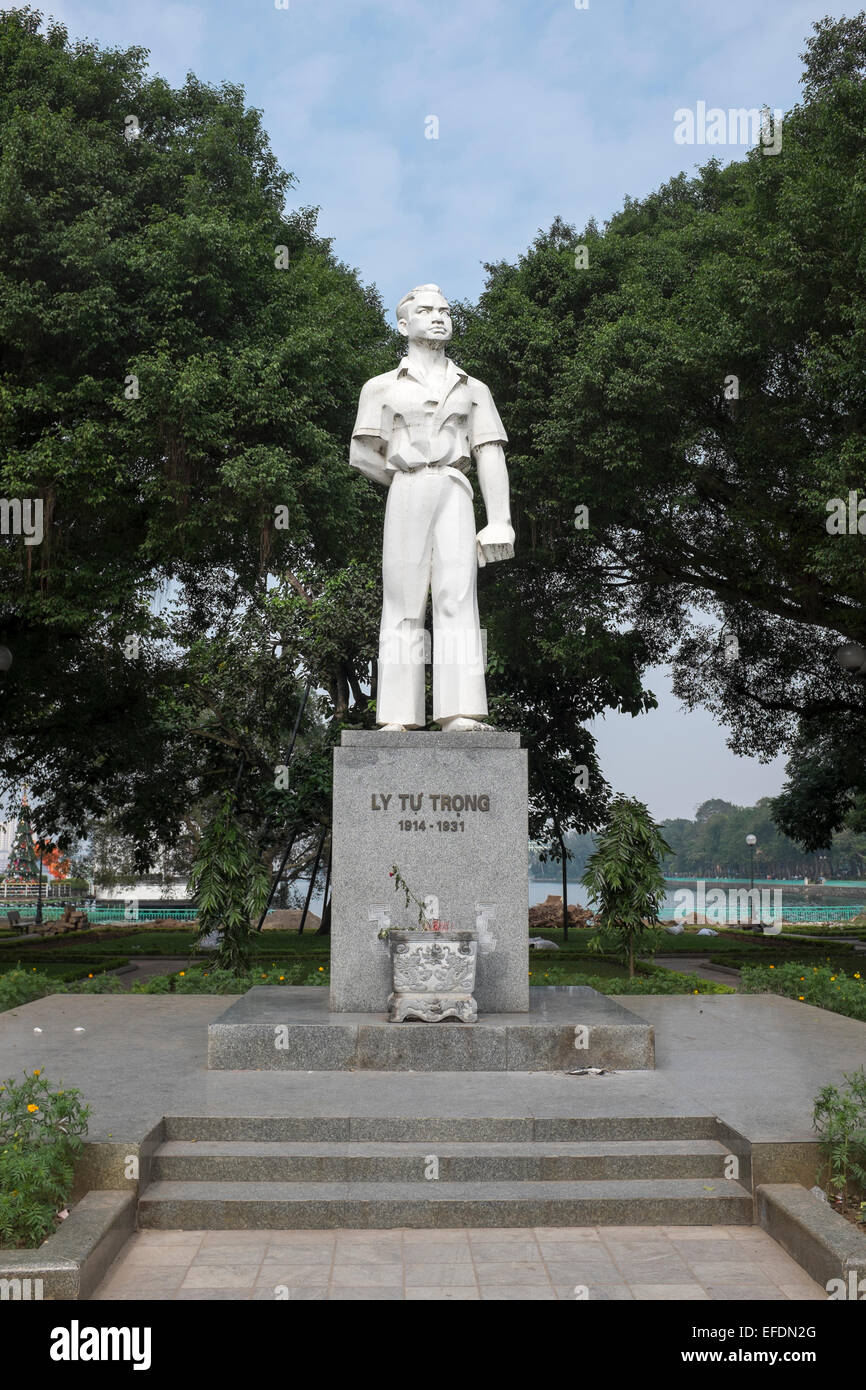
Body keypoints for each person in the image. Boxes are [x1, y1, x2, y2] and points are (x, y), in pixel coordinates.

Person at [350, 284, 515, 730]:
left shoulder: (473, 388)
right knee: (403, 600)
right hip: (406, 487)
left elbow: (490, 451)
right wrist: (407, 478)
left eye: (445, 309)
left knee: (458, 597)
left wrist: (500, 519)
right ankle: (397, 717)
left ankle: (460, 711)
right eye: (426, 311)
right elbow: (363, 453)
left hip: (456, 489)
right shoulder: (380, 387)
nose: (439, 316)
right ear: (404, 324)